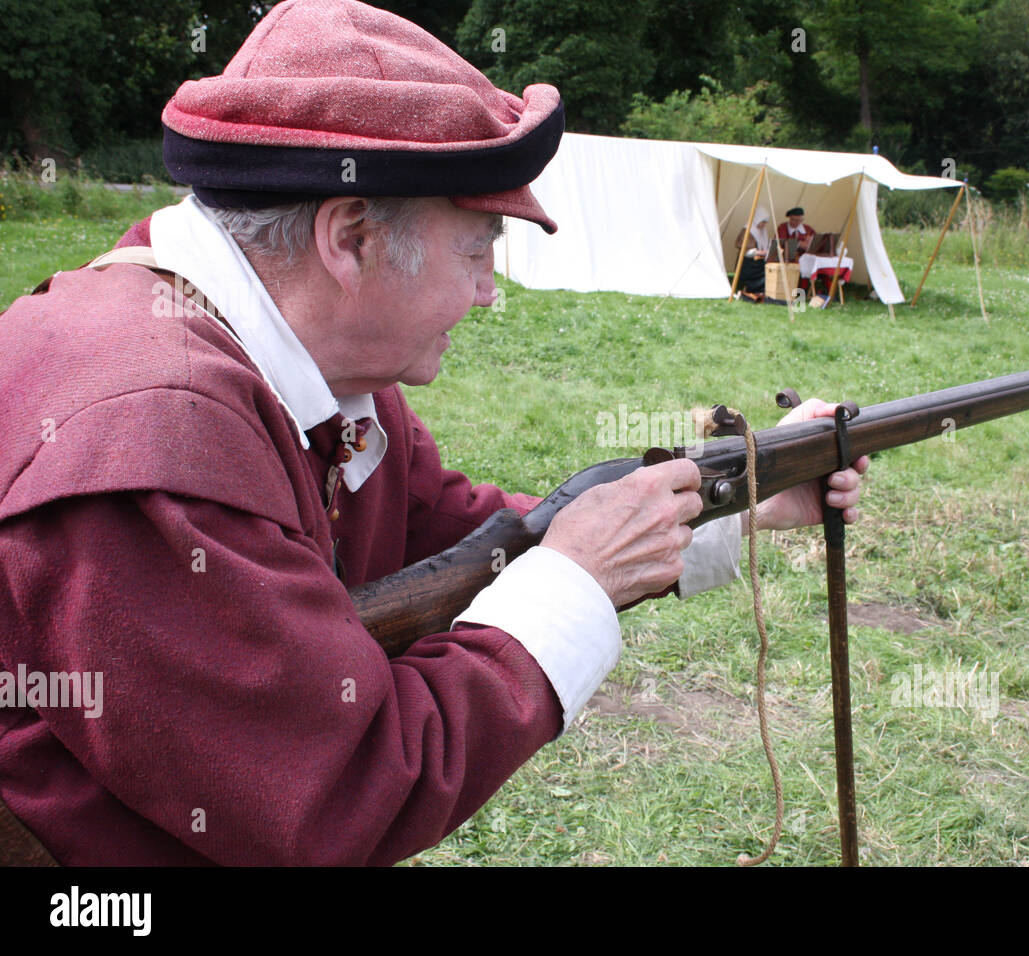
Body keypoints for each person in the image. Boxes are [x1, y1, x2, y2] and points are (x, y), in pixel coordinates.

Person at [0, 0, 867, 866]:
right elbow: (336, 792)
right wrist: (577, 584)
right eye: (477, 250)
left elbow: (460, 536)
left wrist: (736, 504)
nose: (490, 293)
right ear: (353, 238)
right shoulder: (153, 443)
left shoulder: (307, 369)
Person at [733, 206, 771, 302]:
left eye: (765, 222)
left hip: (758, 262)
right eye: (763, 222)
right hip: (747, 263)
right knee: (765, 272)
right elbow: (745, 250)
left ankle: (762, 293)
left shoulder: (763, 231)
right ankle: (752, 292)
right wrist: (759, 252)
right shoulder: (748, 230)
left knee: (769, 268)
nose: (764, 225)